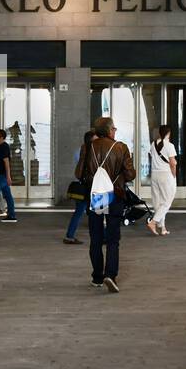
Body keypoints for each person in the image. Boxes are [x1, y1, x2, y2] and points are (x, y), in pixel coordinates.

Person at [75, 116, 134, 292]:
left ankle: (97, 276)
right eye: (114, 128)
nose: (115, 131)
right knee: (113, 239)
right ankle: (111, 275)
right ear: (109, 130)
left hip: (97, 195)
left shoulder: (87, 147)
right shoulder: (121, 147)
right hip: (115, 194)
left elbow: (79, 174)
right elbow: (130, 175)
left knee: (96, 237)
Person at [63, 130, 96, 244]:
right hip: (89, 186)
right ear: (91, 139)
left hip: (81, 185)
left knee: (81, 212)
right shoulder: (92, 152)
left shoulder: (79, 150)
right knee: (96, 212)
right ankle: (103, 237)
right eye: (96, 138)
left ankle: (69, 235)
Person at [147, 124, 177, 235]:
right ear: (168, 133)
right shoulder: (170, 146)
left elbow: (151, 157)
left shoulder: (153, 144)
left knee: (157, 201)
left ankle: (162, 227)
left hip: (155, 174)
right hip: (166, 175)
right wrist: (174, 175)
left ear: (160, 133)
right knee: (167, 201)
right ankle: (153, 222)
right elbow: (173, 163)